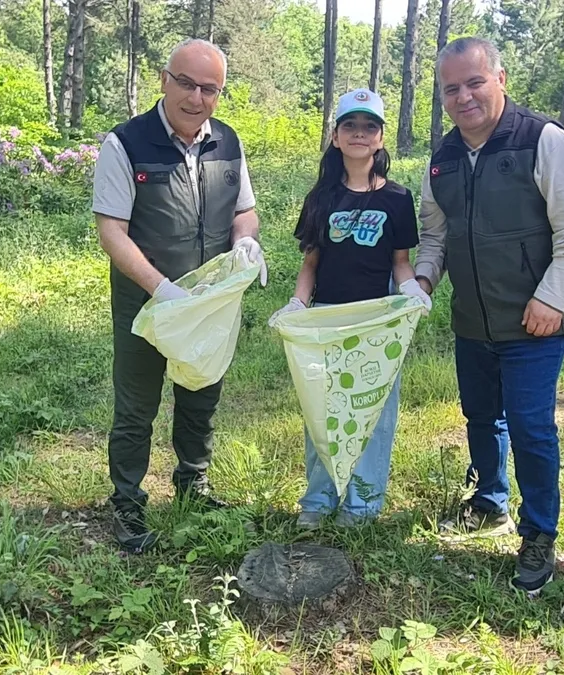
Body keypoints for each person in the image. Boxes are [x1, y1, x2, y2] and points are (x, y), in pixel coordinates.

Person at [413, 37, 564, 594]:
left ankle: (539, 532)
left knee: (530, 427)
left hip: (535, 324)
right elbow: (434, 237)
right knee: (480, 417)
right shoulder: (442, 161)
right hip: (472, 321)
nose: (464, 96)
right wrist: (423, 281)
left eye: (474, 82)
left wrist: (550, 298)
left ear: (500, 78)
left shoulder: (544, 140)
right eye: (452, 88)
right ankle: (490, 501)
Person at [91, 38, 267, 553]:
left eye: (209, 88)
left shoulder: (229, 143)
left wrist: (247, 241)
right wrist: (159, 288)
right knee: (136, 403)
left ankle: (194, 483)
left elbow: (243, 210)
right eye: (186, 83)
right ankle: (126, 501)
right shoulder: (125, 144)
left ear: (220, 93)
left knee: (201, 391)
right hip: (147, 300)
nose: (196, 97)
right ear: (164, 79)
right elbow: (112, 232)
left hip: (209, 299)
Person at [268, 88, 432, 530]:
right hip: (327, 321)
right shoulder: (321, 198)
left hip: (378, 325)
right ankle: (319, 500)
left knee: (373, 412)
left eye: (370, 127)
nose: (360, 133)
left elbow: (400, 262)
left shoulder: (397, 199)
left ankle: (362, 504)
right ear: (335, 136)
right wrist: (298, 303)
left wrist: (412, 289)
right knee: (324, 411)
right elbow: (311, 263)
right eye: (350, 126)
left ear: (381, 138)